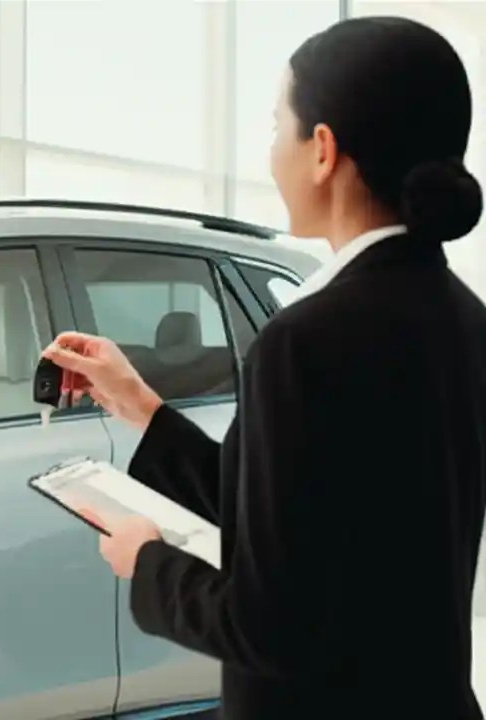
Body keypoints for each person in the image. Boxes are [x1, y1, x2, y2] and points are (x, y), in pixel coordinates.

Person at [43, 16, 486, 720]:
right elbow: (306, 522)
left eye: (278, 125)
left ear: (323, 150)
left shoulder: (305, 338)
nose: (270, 150)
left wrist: (148, 563)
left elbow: (271, 623)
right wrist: (144, 408)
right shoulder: (465, 319)